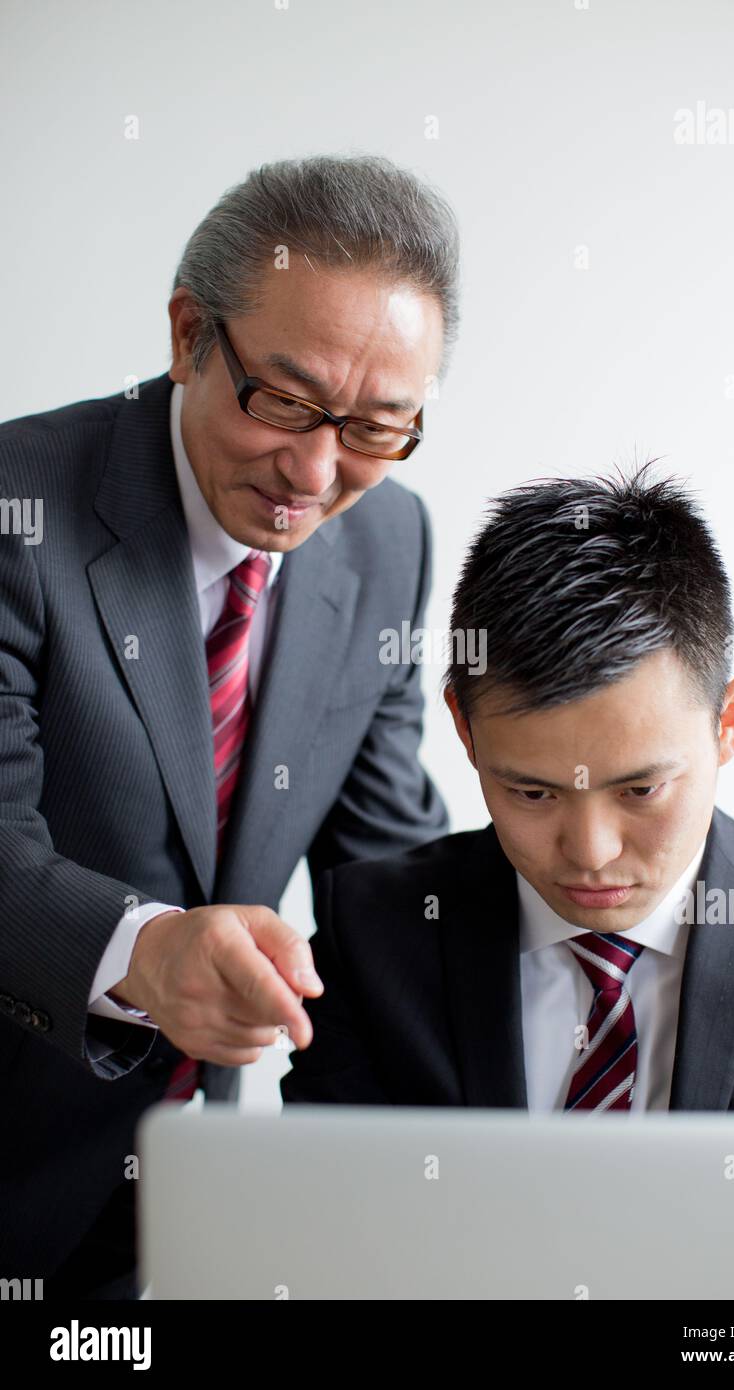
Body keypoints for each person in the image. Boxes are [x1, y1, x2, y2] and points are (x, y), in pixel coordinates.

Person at [0, 153, 458, 1297]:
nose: (315, 471)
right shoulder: (16, 510)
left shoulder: (387, 539)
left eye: (376, 425)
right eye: (285, 402)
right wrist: (145, 953)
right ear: (187, 333)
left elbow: (385, 875)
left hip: (174, 1185)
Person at [283, 467, 734, 1114]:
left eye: (641, 790)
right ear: (466, 730)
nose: (590, 853)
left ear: (730, 723)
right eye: (533, 793)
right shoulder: (370, 937)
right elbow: (328, 1208)